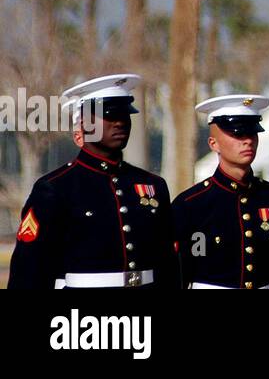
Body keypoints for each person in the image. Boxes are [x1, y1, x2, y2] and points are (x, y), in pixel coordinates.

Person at [9, 74, 178, 290]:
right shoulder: (56, 188)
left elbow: (168, 264)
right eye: (109, 115)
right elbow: (29, 270)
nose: (120, 123)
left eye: (125, 115)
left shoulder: (153, 185)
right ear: (83, 123)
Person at [171, 94, 269, 289]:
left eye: (252, 133)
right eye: (238, 134)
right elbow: (176, 272)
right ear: (213, 143)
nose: (247, 141)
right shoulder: (191, 204)